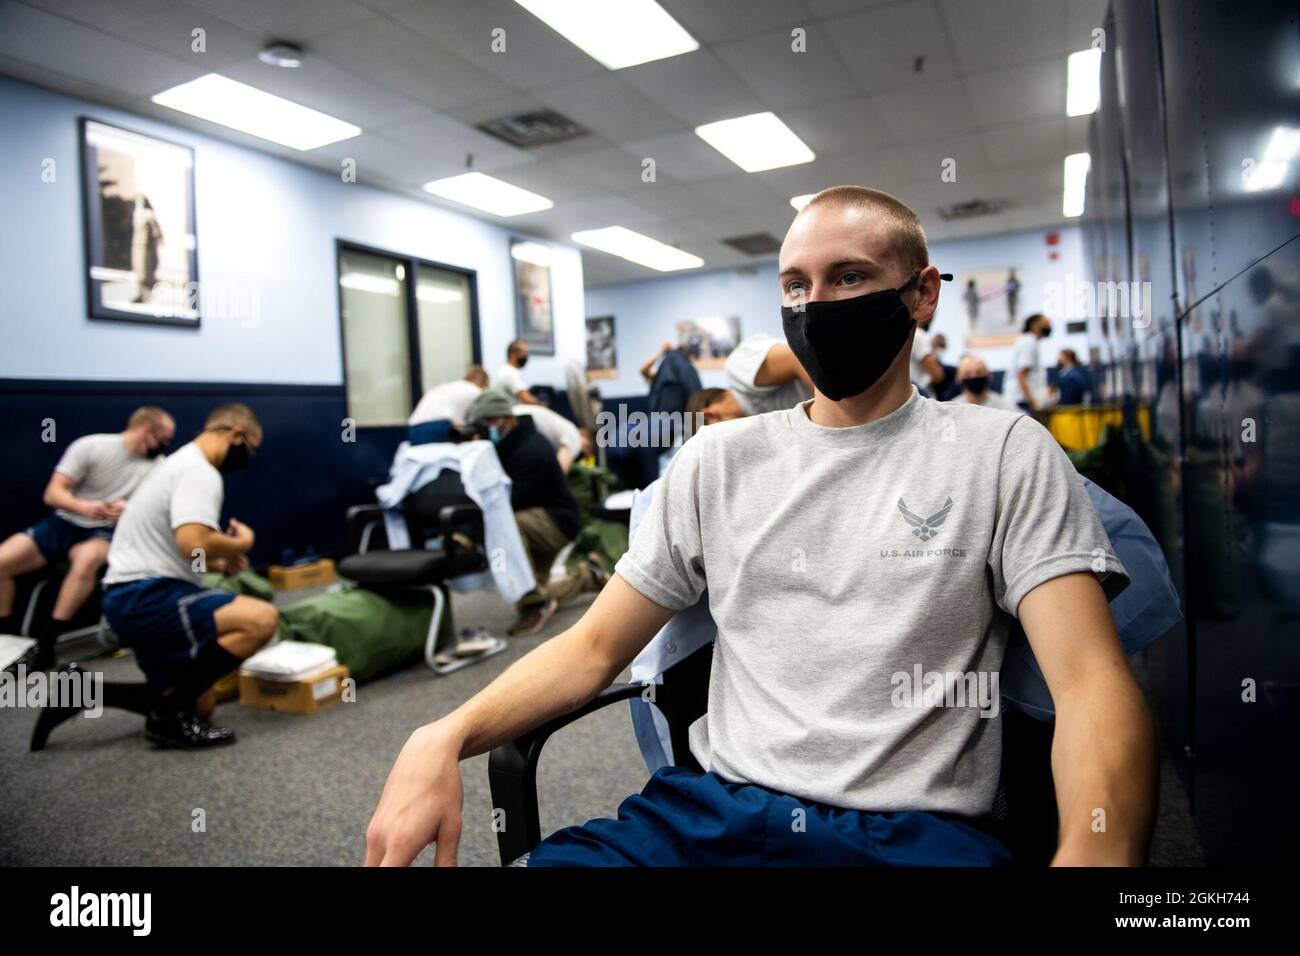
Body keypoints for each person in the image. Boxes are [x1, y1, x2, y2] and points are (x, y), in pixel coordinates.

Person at [365, 185, 1155, 868]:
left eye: (850, 278)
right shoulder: (717, 460)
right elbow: (594, 648)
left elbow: (1091, 683)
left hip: (913, 836)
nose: (817, 305)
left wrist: (1097, 850)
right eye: (795, 284)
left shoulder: (1001, 450)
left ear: (921, 295)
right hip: (705, 821)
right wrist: (445, 733)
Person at [32, 404, 278, 751]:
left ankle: (85, 691)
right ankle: (168, 718)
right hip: (145, 595)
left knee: (200, 706)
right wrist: (242, 543)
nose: (248, 457)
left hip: (131, 592)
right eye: (250, 448)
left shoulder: (177, 464)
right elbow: (193, 541)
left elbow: (182, 552)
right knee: (260, 619)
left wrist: (220, 565)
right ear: (236, 435)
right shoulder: (199, 471)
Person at [0, 406, 175, 669]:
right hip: (64, 521)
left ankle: (47, 644)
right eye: (163, 439)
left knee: (87, 561)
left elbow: (156, 510)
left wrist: (127, 509)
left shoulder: (160, 467)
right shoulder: (91, 446)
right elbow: (53, 494)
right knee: (3, 560)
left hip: (105, 530)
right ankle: (6, 636)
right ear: (147, 431)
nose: (164, 446)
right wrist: (85, 507)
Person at [465, 390, 605, 637]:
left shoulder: (530, 449)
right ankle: (588, 577)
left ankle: (534, 604)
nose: (485, 429)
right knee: (541, 589)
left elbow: (513, 500)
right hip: (540, 520)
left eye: (488, 423)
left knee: (510, 524)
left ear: (505, 419)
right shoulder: (507, 445)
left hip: (557, 522)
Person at [514, 402, 583, 474]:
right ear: (588, 443)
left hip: (514, 414)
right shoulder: (576, 438)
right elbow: (559, 470)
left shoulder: (567, 427)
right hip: (523, 420)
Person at [409, 365, 488, 427]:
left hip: (413, 430)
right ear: (482, 381)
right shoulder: (475, 390)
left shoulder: (448, 386)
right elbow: (482, 417)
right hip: (439, 427)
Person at [1004, 313, 1053, 412]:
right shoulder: (1028, 343)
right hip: (1022, 402)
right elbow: (1022, 375)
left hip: (1024, 401)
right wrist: (1033, 403)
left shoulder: (1029, 342)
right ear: (1034, 325)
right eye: (1045, 324)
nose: (1048, 327)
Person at [951, 354, 1017, 410]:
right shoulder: (953, 409)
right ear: (958, 378)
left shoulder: (1006, 407)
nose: (974, 377)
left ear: (989, 375)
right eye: (967, 374)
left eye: (979, 372)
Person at [494, 339, 541, 405]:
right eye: (524, 353)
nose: (526, 357)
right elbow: (526, 399)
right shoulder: (509, 372)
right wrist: (542, 404)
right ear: (513, 354)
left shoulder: (506, 370)